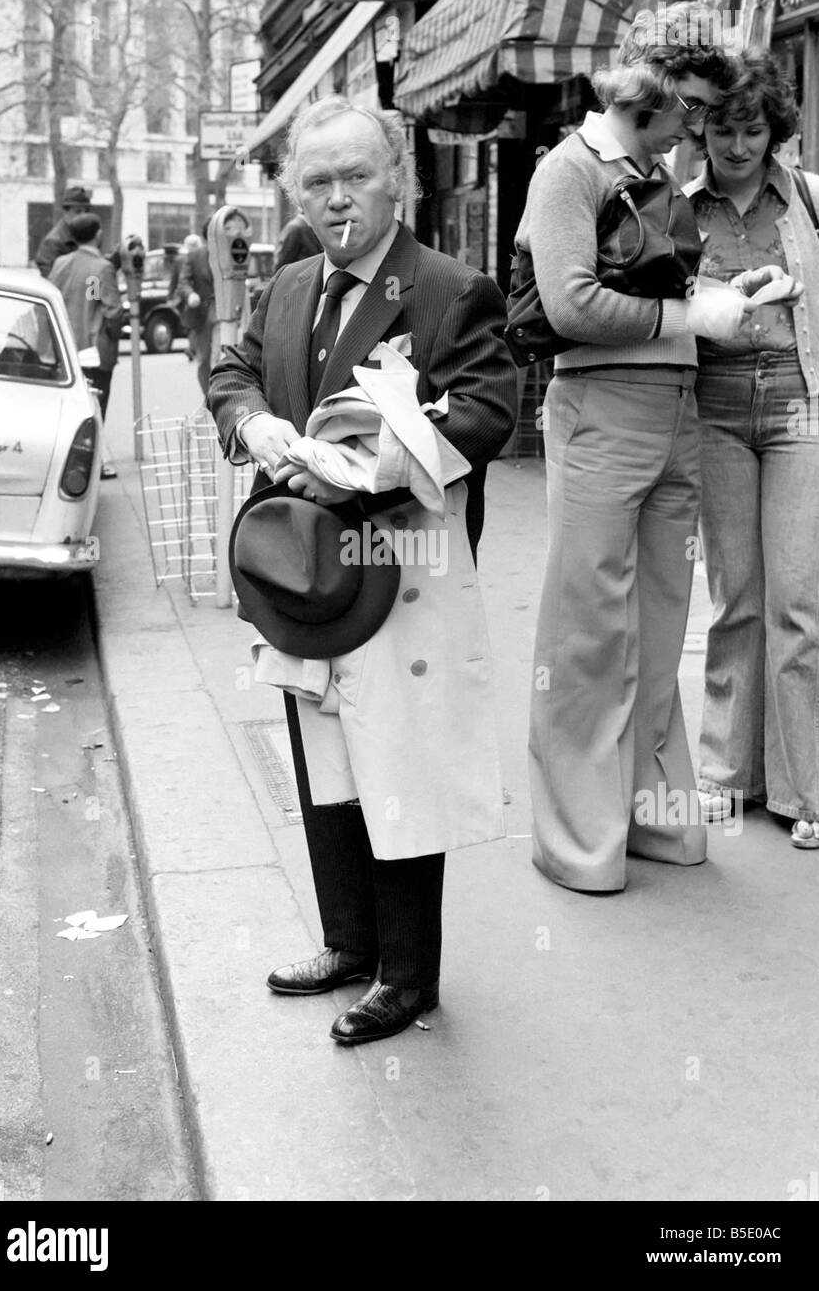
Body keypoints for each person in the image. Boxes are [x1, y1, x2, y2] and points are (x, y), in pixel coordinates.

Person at [208, 94, 516, 1044]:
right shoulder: (290, 284)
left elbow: (488, 410)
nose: (338, 198)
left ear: (400, 181)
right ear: (297, 192)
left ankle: (408, 978)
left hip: (403, 564)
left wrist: (378, 456)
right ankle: (347, 943)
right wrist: (253, 425)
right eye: (318, 182)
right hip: (306, 570)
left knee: (398, 767)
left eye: (357, 177)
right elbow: (233, 373)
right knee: (325, 759)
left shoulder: (449, 288)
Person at [519, 4, 762, 893]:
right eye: (691, 107)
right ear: (649, 92)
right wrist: (690, 314)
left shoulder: (652, 174)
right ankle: (579, 835)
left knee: (660, 625)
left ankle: (646, 813)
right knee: (587, 630)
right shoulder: (567, 172)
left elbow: (663, 293)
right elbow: (570, 305)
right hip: (601, 406)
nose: (701, 127)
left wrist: (728, 300)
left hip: (676, 406)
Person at [684, 51, 819, 850]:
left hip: (803, 404)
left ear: (776, 130)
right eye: (724, 128)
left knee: (801, 602)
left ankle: (810, 786)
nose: (738, 145)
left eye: (753, 128)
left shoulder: (814, 202)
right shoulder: (679, 210)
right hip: (713, 407)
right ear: (702, 129)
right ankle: (726, 774)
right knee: (735, 597)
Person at [50, 212, 125, 479]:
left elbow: (84, 296)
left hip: (63, 349)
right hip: (94, 351)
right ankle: (92, 465)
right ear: (98, 234)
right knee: (95, 410)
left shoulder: (60, 264)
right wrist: (114, 333)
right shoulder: (99, 268)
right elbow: (111, 310)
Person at [179, 221, 216, 399]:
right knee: (204, 359)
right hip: (202, 313)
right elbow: (183, 281)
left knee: (224, 357)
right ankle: (208, 397)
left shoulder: (232, 254)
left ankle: (222, 396)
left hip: (227, 314)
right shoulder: (194, 257)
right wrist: (190, 294)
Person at [35, 186, 93, 278]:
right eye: (78, 212)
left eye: (86, 212)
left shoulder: (85, 237)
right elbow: (53, 281)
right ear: (65, 212)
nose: (83, 216)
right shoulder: (52, 243)